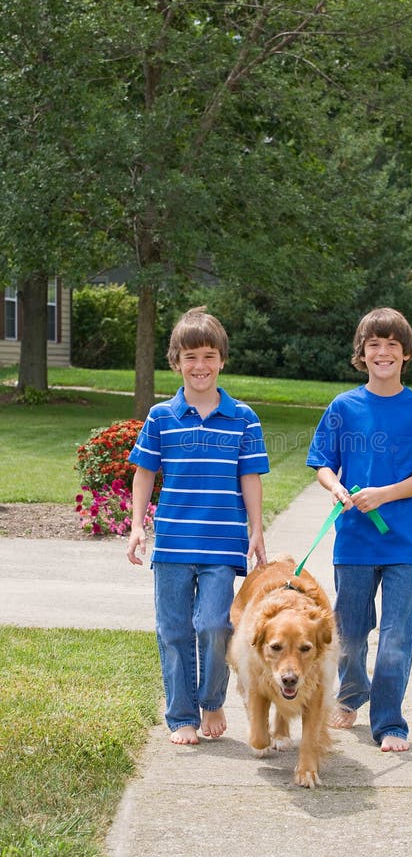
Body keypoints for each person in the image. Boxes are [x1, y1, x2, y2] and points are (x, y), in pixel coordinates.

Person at [306, 307, 412, 752]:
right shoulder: (343, 407)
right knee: (349, 630)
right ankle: (350, 696)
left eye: (391, 345)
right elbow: (323, 464)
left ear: (405, 354)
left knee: (396, 635)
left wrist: (384, 494)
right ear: (362, 354)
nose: (382, 352)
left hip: (405, 542)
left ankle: (389, 721)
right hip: (353, 541)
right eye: (374, 345)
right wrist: (336, 487)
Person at [127, 306, 269, 746]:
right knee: (173, 631)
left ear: (222, 359)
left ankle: (211, 700)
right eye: (190, 357)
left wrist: (257, 530)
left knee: (213, 625)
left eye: (208, 355)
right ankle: (181, 716)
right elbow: (144, 473)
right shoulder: (160, 417)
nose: (200, 366)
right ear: (176, 361)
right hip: (171, 542)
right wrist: (137, 526)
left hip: (222, 544)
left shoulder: (243, 418)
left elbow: (250, 476)